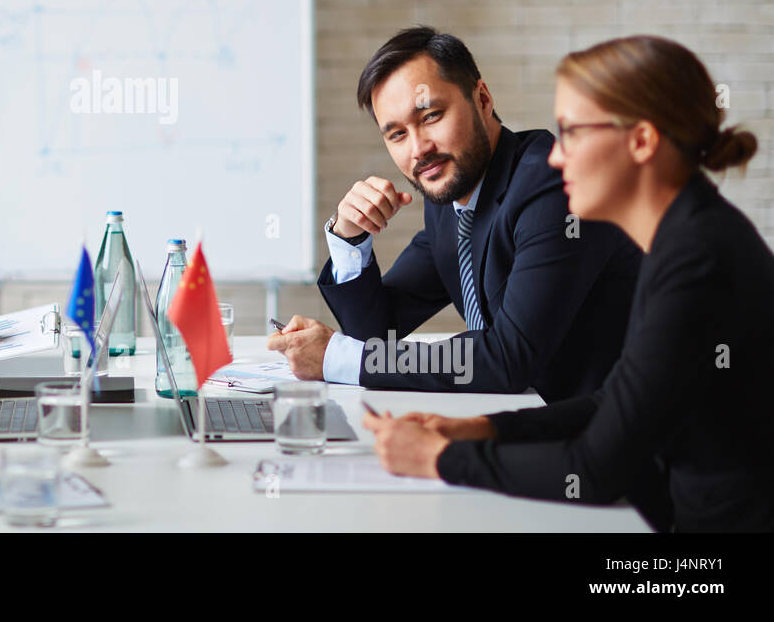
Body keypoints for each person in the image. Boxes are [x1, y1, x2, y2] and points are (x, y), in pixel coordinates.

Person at [365, 35, 774, 533]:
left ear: (641, 141)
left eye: (573, 133)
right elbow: (618, 400)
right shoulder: (684, 238)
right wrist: (486, 427)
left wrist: (440, 460)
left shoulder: (698, 260)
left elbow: (593, 471)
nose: (557, 158)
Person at [270, 27, 640, 401]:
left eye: (431, 116)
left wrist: (337, 357)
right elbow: (378, 336)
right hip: (536, 424)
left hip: (622, 436)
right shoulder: (451, 201)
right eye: (397, 135)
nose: (419, 150)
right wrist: (350, 236)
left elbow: (508, 358)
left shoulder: (555, 186)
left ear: (482, 99)